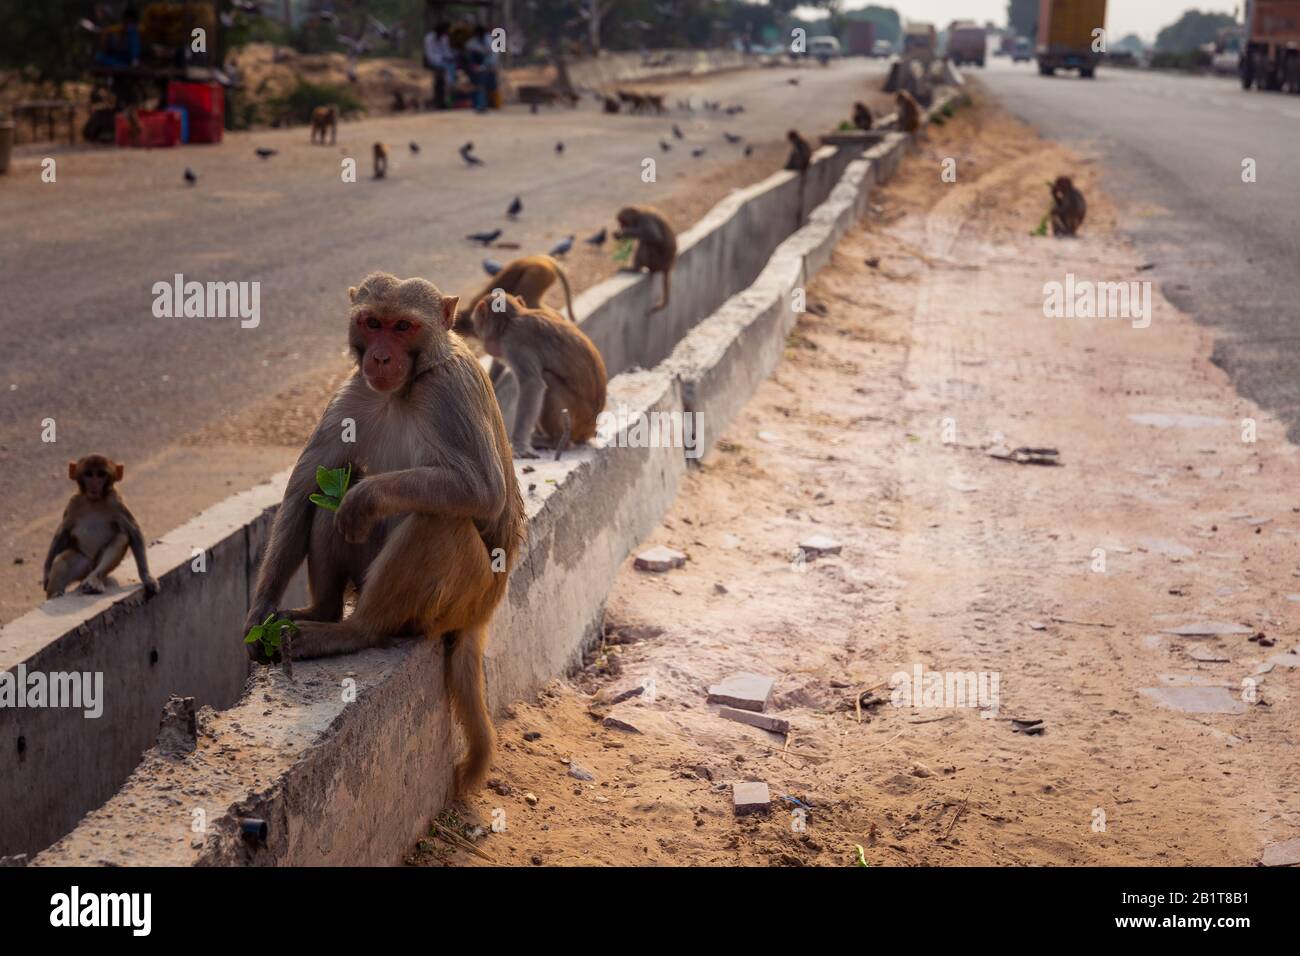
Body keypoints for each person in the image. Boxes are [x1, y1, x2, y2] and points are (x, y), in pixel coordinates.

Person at [465, 25, 498, 113]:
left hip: (488, 67)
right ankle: (481, 105)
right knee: (480, 86)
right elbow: (469, 48)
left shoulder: (489, 40)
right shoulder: (473, 42)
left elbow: (493, 55)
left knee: (487, 86)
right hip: (478, 68)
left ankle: (483, 105)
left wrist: (491, 66)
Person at [423, 22, 453, 109]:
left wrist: (450, 57)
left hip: (443, 62)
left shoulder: (444, 38)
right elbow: (430, 54)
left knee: (447, 76)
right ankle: (439, 101)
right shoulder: (429, 38)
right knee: (443, 77)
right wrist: (441, 60)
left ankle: (445, 100)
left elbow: (446, 51)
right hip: (433, 62)